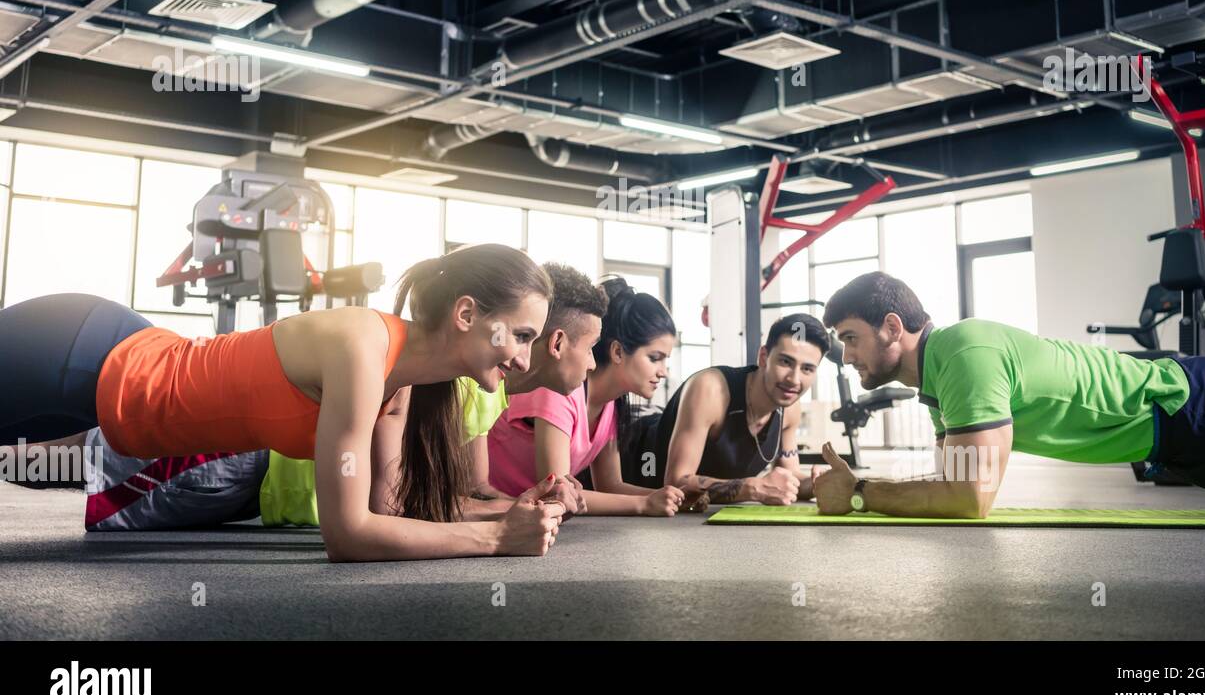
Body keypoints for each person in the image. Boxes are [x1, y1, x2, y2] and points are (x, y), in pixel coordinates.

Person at [0, 243, 566, 560]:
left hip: (111, 393)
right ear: (467, 315)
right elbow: (347, 537)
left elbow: (385, 512)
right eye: (520, 335)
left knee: (19, 464)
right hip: (80, 349)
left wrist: (504, 512)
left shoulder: (399, 385)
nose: (524, 359)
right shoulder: (361, 348)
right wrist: (493, 539)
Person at [812, 271, 1205, 519]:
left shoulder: (963, 353)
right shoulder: (939, 382)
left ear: (892, 328)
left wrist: (858, 493)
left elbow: (967, 500)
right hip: (1184, 433)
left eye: (851, 337)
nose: (846, 354)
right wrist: (856, 488)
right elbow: (947, 490)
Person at [487, 277, 686, 516]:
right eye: (655, 358)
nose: (663, 372)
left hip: (528, 517)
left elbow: (610, 485)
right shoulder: (560, 389)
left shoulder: (611, 405)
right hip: (494, 510)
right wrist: (644, 504)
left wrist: (672, 496)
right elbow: (555, 489)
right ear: (618, 352)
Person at [620, 313, 831, 506]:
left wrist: (817, 484)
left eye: (807, 369)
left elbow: (790, 475)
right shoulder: (711, 389)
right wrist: (753, 488)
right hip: (630, 457)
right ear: (764, 357)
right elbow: (677, 481)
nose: (794, 379)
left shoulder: (789, 409)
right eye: (785, 362)